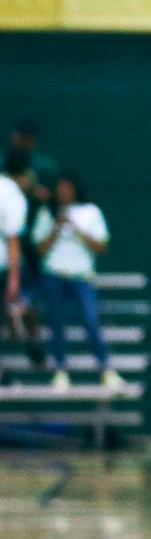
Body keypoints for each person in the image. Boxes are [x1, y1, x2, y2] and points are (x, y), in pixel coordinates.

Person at [32, 174, 118, 390]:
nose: (63, 192)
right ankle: (60, 370)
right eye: (60, 188)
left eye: (67, 188)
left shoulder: (91, 212)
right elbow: (39, 249)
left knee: (90, 320)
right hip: (54, 276)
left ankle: (105, 368)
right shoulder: (48, 213)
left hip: (81, 277)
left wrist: (77, 229)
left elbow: (101, 246)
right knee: (56, 323)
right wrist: (57, 227)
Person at [0, 150, 30, 383]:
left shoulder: (8, 191)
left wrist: (13, 276)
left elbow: (12, 237)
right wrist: (14, 277)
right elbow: (13, 238)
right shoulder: (11, 194)